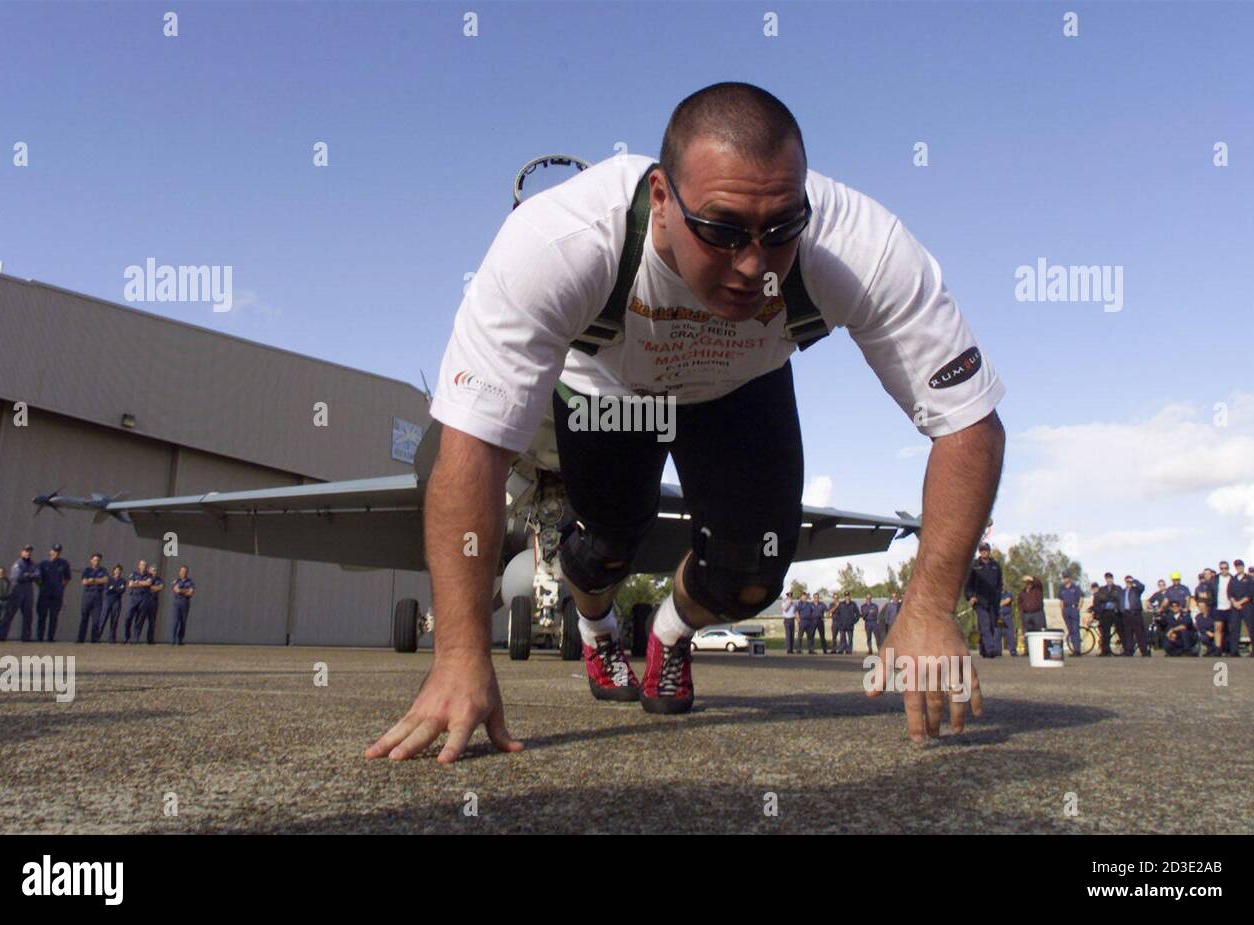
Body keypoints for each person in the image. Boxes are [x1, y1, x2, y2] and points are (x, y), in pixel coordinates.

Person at [368, 82, 1002, 760]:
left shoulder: (860, 245)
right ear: (663, 200)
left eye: (782, 229)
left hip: (738, 387)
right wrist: (461, 655)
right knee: (606, 540)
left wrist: (930, 605)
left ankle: (667, 636)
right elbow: (472, 446)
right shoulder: (560, 242)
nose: (754, 265)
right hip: (612, 393)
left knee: (750, 575)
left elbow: (968, 422)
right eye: (723, 231)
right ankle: (597, 625)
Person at [966, 543, 1004, 657]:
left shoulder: (995, 566)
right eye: (982, 550)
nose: (984, 552)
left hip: (993, 601)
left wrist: (998, 596)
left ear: (989, 551)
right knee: (985, 623)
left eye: (986, 550)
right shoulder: (974, 565)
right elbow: (968, 584)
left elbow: (999, 583)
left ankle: (984, 650)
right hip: (979, 600)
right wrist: (970, 596)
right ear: (979, 552)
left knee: (992, 625)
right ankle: (991, 649)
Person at [0, 545, 39, 642]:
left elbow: (38, 574)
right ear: (21, 552)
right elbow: (17, 577)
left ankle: (26, 637)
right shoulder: (17, 564)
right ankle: (1, 636)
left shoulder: (32, 564)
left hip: (28, 591)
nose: (28, 553)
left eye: (29, 551)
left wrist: (28, 575)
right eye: (26, 551)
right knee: (9, 613)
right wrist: (30, 576)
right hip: (17, 590)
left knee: (28, 615)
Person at [35, 543, 71, 642]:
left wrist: (61, 587)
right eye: (54, 551)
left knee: (53, 617)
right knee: (42, 616)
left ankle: (50, 637)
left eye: (58, 552)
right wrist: (42, 587)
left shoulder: (63, 564)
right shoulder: (43, 564)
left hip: (56, 595)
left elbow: (67, 578)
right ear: (50, 551)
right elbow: (38, 579)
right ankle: (39, 637)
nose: (56, 553)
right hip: (44, 594)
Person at [1228, 560, 1254, 657]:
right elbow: (1229, 593)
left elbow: (1250, 594)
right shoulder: (1233, 579)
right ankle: (1234, 651)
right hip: (1235, 607)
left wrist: (1240, 602)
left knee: (1251, 628)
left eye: (1240, 566)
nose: (1239, 568)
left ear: (1243, 567)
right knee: (1235, 628)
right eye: (1237, 566)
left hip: (1247, 606)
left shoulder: (1249, 579)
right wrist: (1234, 602)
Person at [77, 553, 108, 643]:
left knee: (96, 619)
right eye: (95, 560)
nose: (96, 562)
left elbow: (105, 580)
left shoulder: (103, 570)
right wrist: (98, 581)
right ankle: (80, 639)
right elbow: (84, 582)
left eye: (98, 560)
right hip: (88, 595)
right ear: (91, 561)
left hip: (98, 596)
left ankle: (94, 639)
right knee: (84, 617)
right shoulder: (87, 570)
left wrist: (93, 580)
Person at [1093, 573, 1124, 656]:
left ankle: (1126, 649)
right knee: (1105, 633)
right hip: (1105, 612)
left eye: (1110, 578)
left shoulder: (1118, 588)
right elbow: (1099, 598)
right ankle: (1105, 651)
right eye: (1107, 578)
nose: (1109, 580)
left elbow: (1119, 597)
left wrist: (1108, 598)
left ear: (1112, 579)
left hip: (1115, 612)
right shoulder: (1102, 589)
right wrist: (1110, 597)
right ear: (1105, 579)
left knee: (1120, 631)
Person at [1120, 574, 1149, 656]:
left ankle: (1144, 651)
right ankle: (1129, 651)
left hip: (1135, 613)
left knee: (1139, 633)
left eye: (1129, 581)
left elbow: (1142, 587)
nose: (1128, 582)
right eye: (1127, 581)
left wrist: (1134, 581)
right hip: (1126, 614)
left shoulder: (1136, 590)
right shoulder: (1123, 591)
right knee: (1128, 634)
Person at [1057, 571, 1083, 656]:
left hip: (1073, 609)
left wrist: (1078, 608)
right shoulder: (1062, 588)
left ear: (1070, 578)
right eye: (1064, 578)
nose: (1065, 579)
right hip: (1066, 609)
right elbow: (1061, 600)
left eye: (1066, 577)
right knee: (1071, 630)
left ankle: (1077, 650)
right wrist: (1062, 610)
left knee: (1075, 630)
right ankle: (1074, 649)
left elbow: (1081, 598)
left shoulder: (1075, 587)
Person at [124, 560, 150, 643]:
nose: (144, 567)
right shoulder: (133, 574)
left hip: (143, 598)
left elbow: (148, 583)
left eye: (145, 565)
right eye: (142, 565)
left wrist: (137, 582)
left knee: (140, 619)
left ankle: (136, 638)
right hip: (134, 597)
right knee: (128, 617)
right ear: (139, 566)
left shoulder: (149, 575)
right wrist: (142, 583)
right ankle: (127, 636)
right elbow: (131, 584)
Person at [98, 565, 126, 643]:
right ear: (113, 571)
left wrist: (113, 588)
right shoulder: (109, 579)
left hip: (116, 601)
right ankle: (97, 637)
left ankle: (111, 638)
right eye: (116, 570)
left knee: (114, 620)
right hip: (108, 600)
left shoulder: (122, 581)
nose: (117, 572)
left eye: (119, 570)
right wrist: (116, 588)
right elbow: (107, 590)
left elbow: (122, 590)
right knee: (103, 619)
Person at [1213, 561, 1235, 655]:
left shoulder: (1233, 579)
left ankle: (1232, 649)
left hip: (1230, 607)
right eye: (1222, 568)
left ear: (1228, 568)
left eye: (1225, 568)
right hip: (1218, 607)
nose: (1224, 570)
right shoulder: (1215, 579)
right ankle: (1218, 649)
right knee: (1218, 628)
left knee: (1231, 629)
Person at [144, 565, 165, 643]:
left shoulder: (159, 579)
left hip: (153, 601)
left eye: (155, 570)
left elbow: (160, 587)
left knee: (152, 621)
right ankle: (136, 638)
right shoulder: (145, 577)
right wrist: (147, 585)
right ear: (149, 571)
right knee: (140, 619)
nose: (155, 572)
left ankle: (150, 639)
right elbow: (144, 586)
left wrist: (148, 586)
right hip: (145, 600)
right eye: (153, 570)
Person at [997, 589, 1017, 656]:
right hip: (999, 617)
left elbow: (1007, 601)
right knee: (998, 634)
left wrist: (999, 603)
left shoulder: (1008, 593)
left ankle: (1013, 651)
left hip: (1007, 616)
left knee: (1010, 634)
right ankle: (998, 652)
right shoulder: (994, 594)